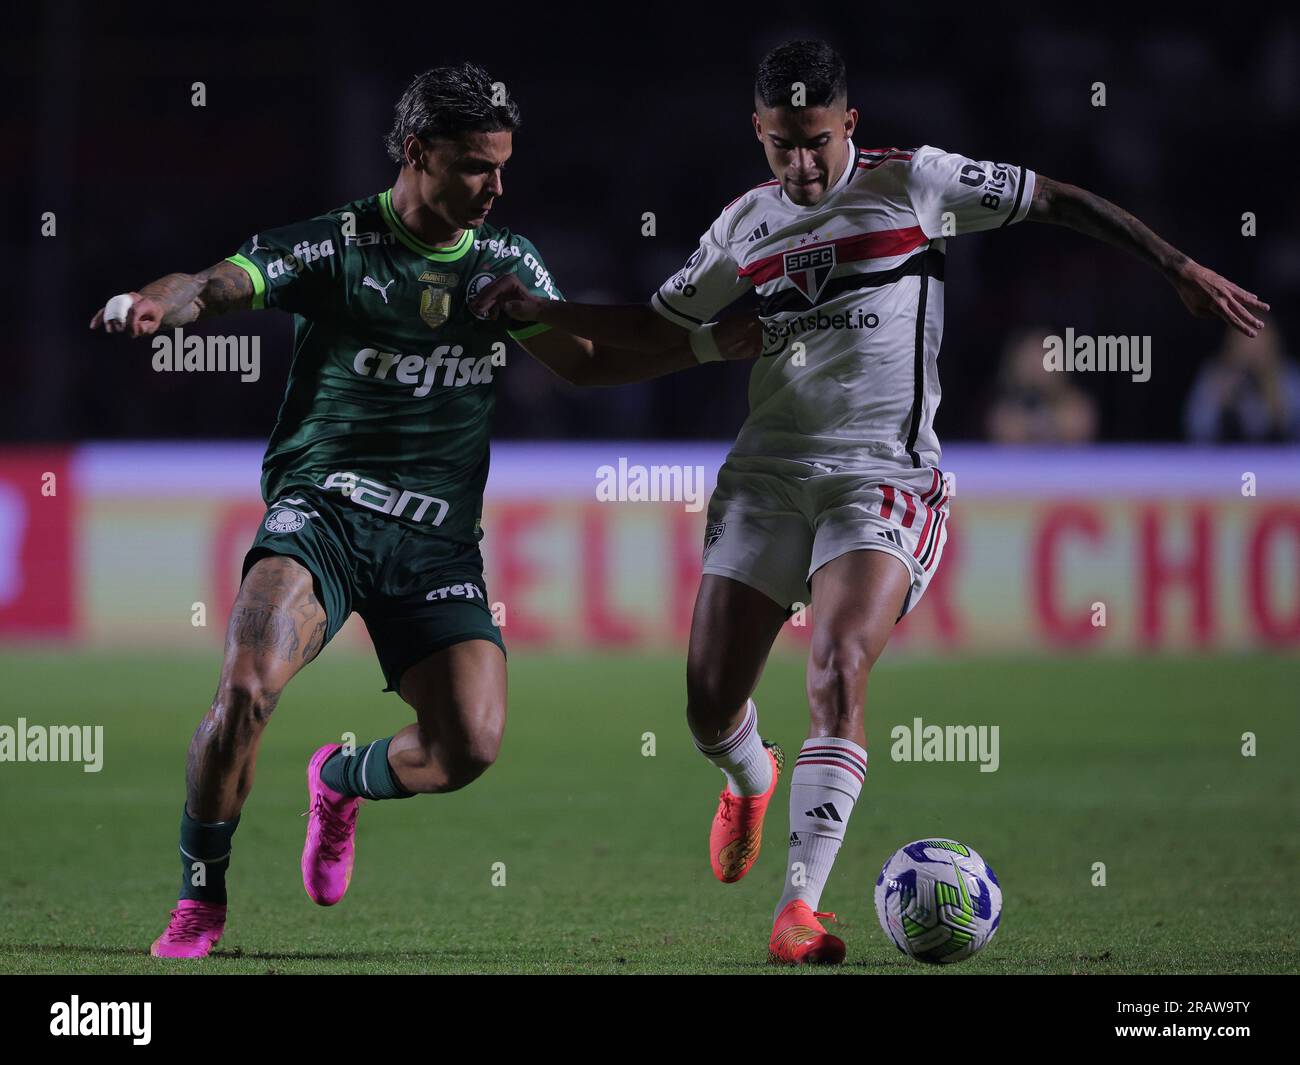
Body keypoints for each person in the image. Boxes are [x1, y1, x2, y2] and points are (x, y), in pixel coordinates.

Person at [470, 39, 1269, 964]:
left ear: (849, 123)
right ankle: (750, 776)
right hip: (769, 474)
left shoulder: (917, 183)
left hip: (882, 476)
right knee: (704, 703)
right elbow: (656, 329)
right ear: (758, 135)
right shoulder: (743, 227)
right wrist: (545, 310)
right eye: (781, 146)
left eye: (817, 141)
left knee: (840, 663)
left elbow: (1053, 196)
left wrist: (1172, 263)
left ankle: (798, 910)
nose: (802, 165)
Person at [89, 63, 758, 959]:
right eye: (477, 166)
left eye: (503, 166)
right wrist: (152, 306)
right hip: (322, 512)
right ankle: (200, 897)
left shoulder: (503, 264)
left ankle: (342, 780)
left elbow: (587, 360)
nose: (496, 187)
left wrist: (707, 349)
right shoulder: (337, 247)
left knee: (470, 746)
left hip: (436, 545)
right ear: (418, 153)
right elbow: (213, 283)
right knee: (246, 690)